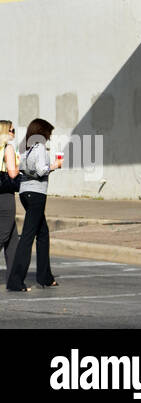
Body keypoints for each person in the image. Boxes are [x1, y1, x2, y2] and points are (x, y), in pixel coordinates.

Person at [7, 119, 62, 292]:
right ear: (42, 132)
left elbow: (21, 167)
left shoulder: (25, 148)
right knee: (28, 237)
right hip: (37, 194)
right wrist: (55, 165)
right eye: (49, 133)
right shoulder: (39, 148)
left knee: (43, 234)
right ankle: (15, 281)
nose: (50, 137)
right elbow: (40, 170)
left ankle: (45, 277)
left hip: (25, 192)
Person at [0, 121, 21, 276]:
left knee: (12, 240)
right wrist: (21, 166)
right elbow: (13, 173)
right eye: (12, 130)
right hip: (5, 196)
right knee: (4, 234)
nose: (14, 132)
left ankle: (14, 280)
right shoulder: (8, 148)